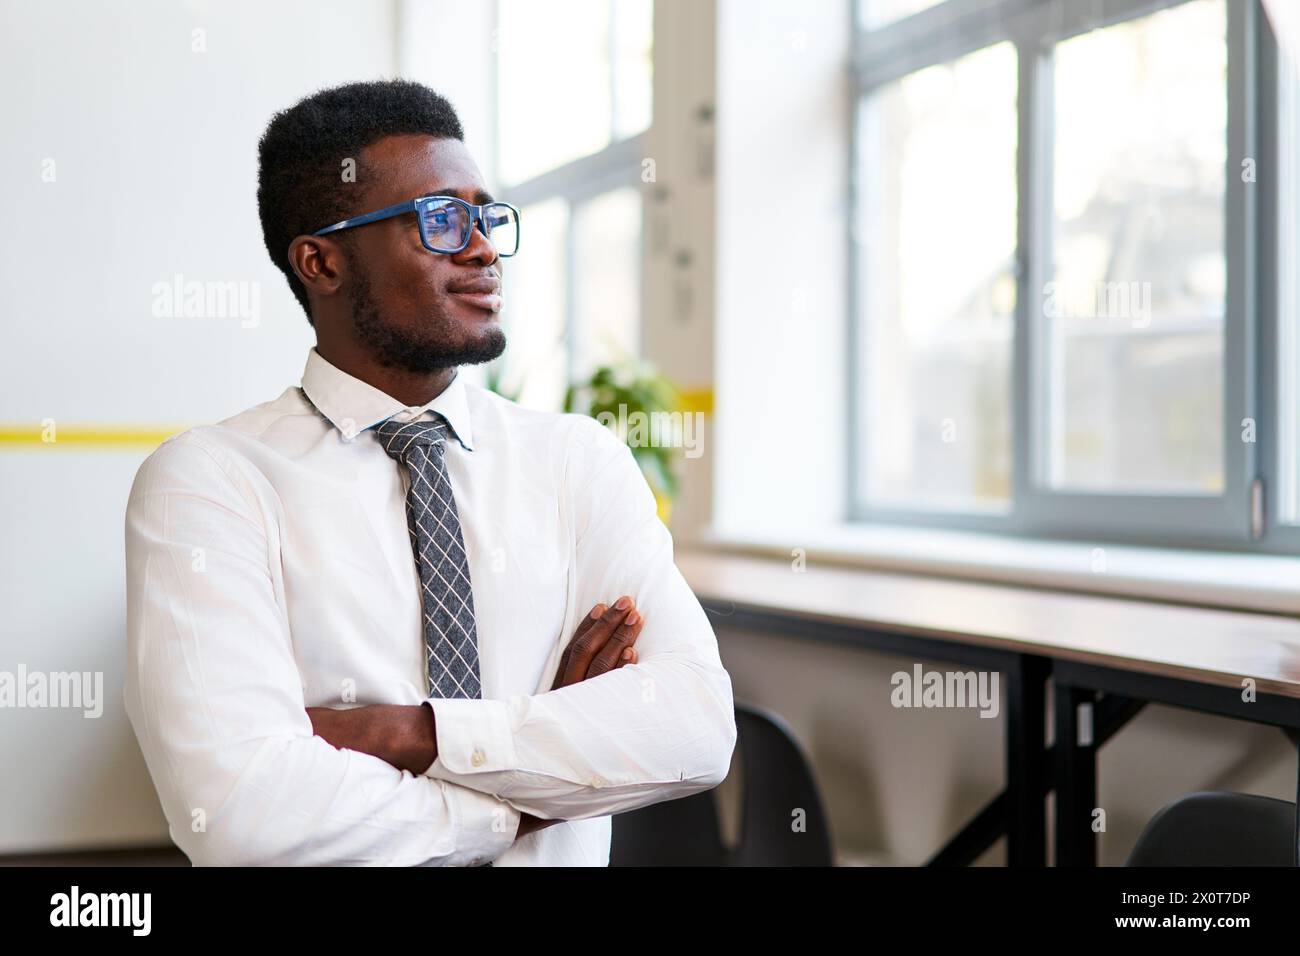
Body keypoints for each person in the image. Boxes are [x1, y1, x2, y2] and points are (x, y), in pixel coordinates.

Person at [123, 79, 736, 866]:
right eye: (441, 222)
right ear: (322, 262)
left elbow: (693, 727)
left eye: (486, 217)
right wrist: (531, 780)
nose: (482, 246)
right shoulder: (208, 482)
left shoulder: (577, 462)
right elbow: (244, 812)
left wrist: (406, 732)